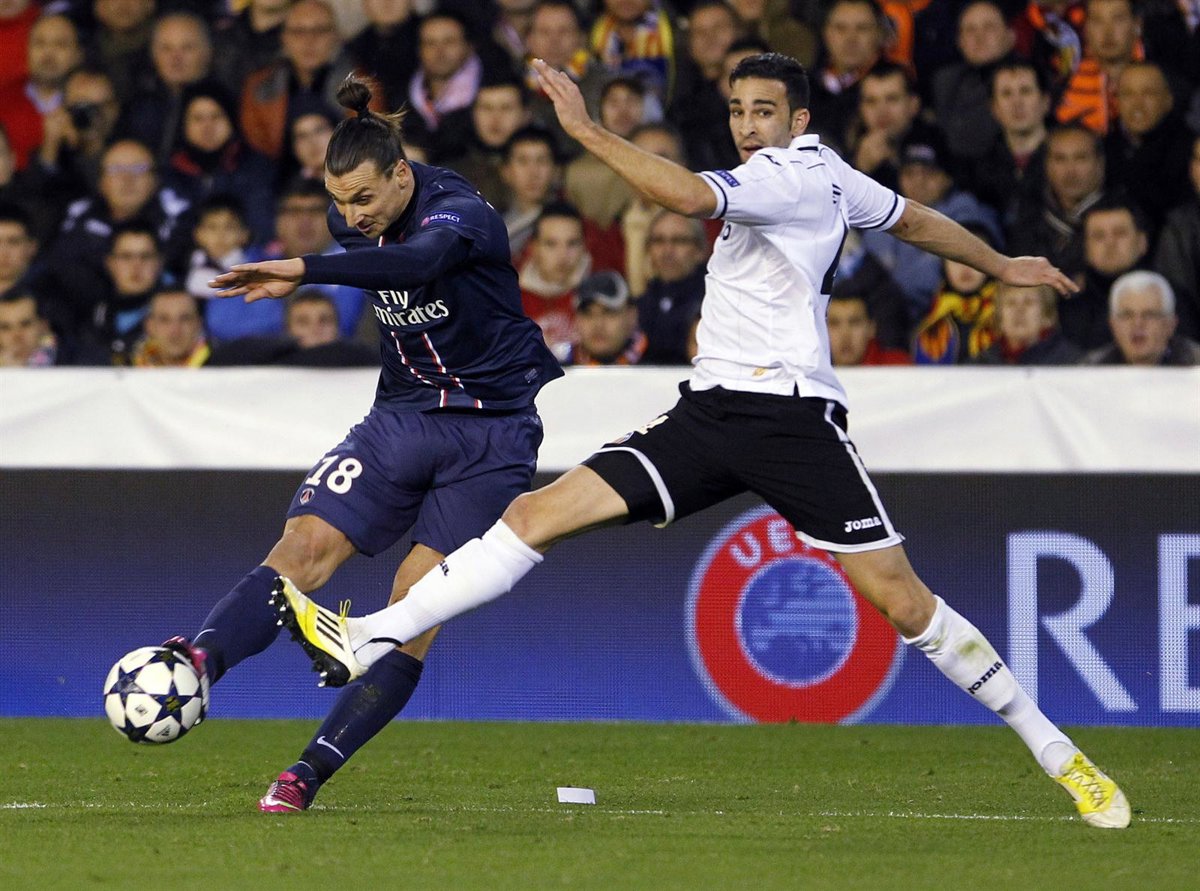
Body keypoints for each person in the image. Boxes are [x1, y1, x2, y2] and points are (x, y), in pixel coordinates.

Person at [277, 52, 1131, 830]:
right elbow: (913, 222)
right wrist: (1005, 264)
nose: (747, 125)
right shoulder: (834, 178)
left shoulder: (789, 178)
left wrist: (584, 129)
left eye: (764, 111)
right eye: (736, 110)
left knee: (906, 604)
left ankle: (1060, 752)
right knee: (537, 512)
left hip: (793, 421)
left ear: (800, 122)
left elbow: (685, 197)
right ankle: (373, 634)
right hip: (713, 411)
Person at [159, 75, 561, 813]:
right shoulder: (356, 224)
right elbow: (378, 256)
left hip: (492, 432)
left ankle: (305, 772)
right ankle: (195, 661)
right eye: (339, 202)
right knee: (302, 547)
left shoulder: (463, 212)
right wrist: (326, 249)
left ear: (402, 174)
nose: (352, 216)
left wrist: (303, 267)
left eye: (365, 199)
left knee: (413, 604)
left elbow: (417, 264)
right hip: (399, 418)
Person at [1081, 270, 1200, 365]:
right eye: (1127, 315)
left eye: (1149, 314)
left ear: (1170, 325)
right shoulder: (1090, 370)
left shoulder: (1195, 364)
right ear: (1113, 325)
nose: (1137, 324)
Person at [637, 209, 708, 364]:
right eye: (658, 241)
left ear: (700, 250)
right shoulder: (640, 306)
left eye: (679, 241)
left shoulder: (713, 304)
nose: (667, 251)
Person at [970, 283, 1083, 365]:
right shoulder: (981, 365)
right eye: (1011, 303)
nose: (1019, 310)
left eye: (1028, 302)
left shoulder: (1071, 364)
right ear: (1000, 319)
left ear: (1047, 316)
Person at [562, 269, 646, 365]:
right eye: (587, 314)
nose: (598, 324)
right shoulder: (557, 366)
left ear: (631, 317)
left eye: (609, 312)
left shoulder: (659, 361)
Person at [129, 288, 211, 367]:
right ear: (150, 326)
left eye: (184, 319)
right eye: (164, 320)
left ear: (198, 324)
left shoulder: (221, 365)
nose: (175, 331)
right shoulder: (126, 364)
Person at [826, 291, 911, 366]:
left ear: (872, 328)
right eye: (834, 323)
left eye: (855, 322)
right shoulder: (813, 372)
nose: (845, 335)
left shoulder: (897, 368)